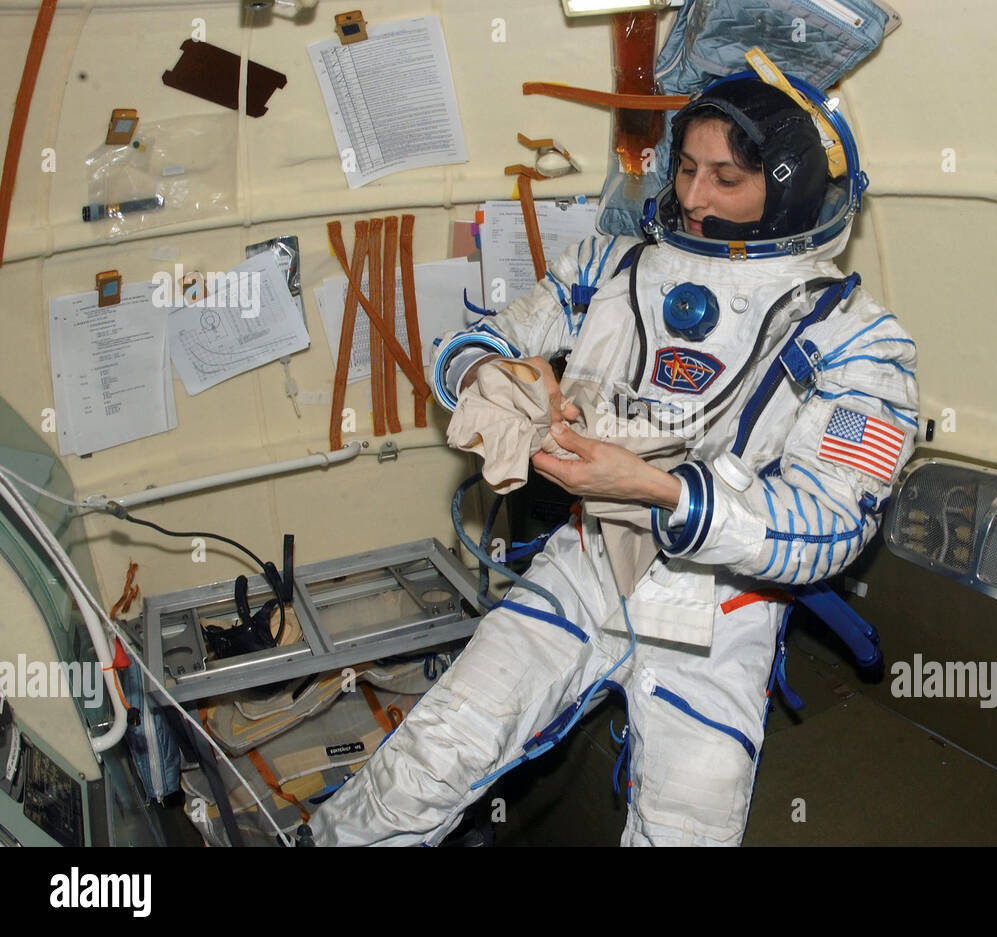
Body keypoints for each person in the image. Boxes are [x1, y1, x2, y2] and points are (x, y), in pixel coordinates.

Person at [308, 72, 919, 846]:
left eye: (726, 178)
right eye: (687, 169)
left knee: (681, 831)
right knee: (428, 756)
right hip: (588, 556)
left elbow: (833, 522)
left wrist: (662, 492)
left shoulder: (857, 336)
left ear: (789, 193)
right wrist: (493, 376)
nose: (695, 196)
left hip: (718, 606)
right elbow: (473, 343)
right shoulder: (615, 265)